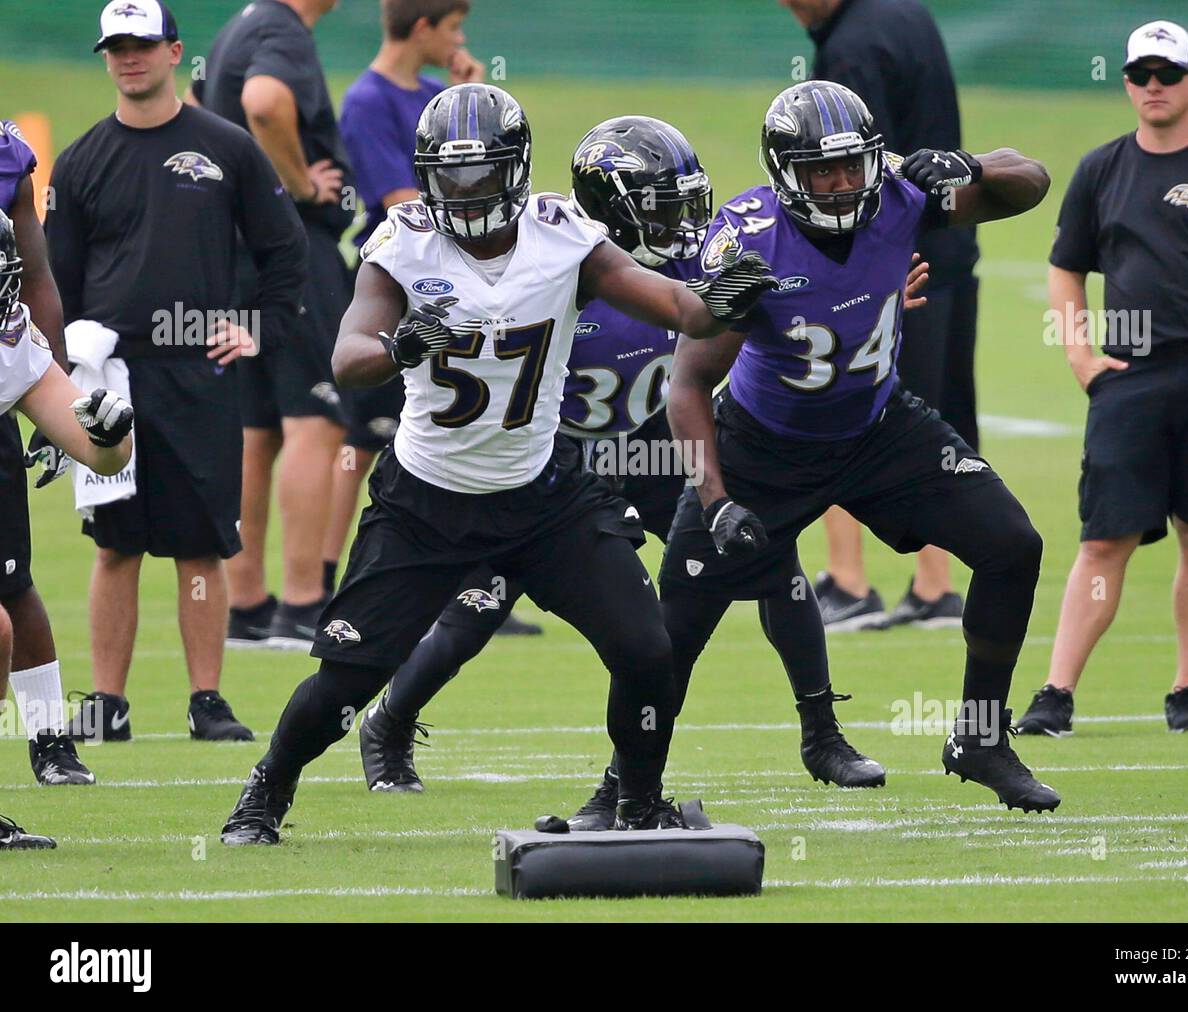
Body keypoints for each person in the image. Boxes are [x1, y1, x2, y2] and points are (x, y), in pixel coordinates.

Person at [219, 83, 778, 844]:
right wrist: (399, 345)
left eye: (483, 176)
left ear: (516, 172)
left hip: (544, 493)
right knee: (348, 680)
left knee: (646, 648)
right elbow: (348, 358)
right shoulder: (404, 244)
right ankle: (266, 790)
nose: (468, 194)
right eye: (451, 179)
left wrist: (737, 291)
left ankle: (639, 805)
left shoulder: (565, 237)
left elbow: (681, 310)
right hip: (426, 497)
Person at [356, 117, 928, 807]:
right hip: (555, 457)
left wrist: (866, 300)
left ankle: (822, 732)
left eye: (690, 204)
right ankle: (389, 722)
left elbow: (782, 308)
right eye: (663, 209)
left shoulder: (693, 265)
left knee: (769, 555)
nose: (685, 225)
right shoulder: (563, 264)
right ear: (610, 211)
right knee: (482, 602)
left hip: (651, 440)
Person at [659, 79, 1060, 813]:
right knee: (669, 637)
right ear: (786, 171)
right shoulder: (748, 239)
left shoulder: (898, 195)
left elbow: (1030, 183)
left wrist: (966, 163)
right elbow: (686, 383)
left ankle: (980, 737)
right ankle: (624, 788)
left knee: (1012, 544)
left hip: (878, 430)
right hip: (765, 445)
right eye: (822, 170)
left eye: (852, 166)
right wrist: (715, 501)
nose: (843, 184)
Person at [1017, 20, 1188, 740]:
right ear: (1125, 82)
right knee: (1104, 538)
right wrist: (1080, 356)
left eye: (1167, 74)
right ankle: (1055, 693)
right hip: (1131, 375)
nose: (1152, 86)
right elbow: (1065, 269)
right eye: (1140, 74)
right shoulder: (1101, 169)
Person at [47, 0, 307, 741]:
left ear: (174, 51)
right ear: (105, 56)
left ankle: (206, 701)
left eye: (143, 44)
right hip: (109, 378)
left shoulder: (226, 147)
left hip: (199, 374)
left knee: (199, 543)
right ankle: (107, 703)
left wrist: (257, 327)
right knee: (117, 542)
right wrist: (60, 383)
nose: (129, 57)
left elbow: (285, 252)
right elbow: (55, 284)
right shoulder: (81, 159)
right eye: (116, 46)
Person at [325, 1, 544, 637]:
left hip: (466, 285)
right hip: (402, 287)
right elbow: (406, 204)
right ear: (422, 27)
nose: (461, 38)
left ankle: (474, 588)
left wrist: (468, 95)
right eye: (453, 27)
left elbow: (484, 170)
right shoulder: (368, 101)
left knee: (466, 426)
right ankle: (325, 582)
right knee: (368, 438)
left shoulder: (432, 96)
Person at [779, 0, 978, 631]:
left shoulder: (852, 47)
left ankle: (848, 581)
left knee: (840, 400)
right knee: (940, 413)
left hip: (896, 263)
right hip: (949, 250)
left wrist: (854, 271)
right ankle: (935, 586)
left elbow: (856, 175)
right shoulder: (907, 16)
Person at [192, 0, 355, 649]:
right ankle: (302, 603)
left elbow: (197, 101)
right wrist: (296, 185)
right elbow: (262, 101)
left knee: (254, 428)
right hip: (289, 254)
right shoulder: (283, 30)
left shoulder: (240, 23)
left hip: (231, 252)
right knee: (315, 420)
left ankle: (248, 605)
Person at [0, 208, 136, 845]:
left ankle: (48, 739)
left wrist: (113, 436)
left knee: (6, 615)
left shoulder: (10, 338)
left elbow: (93, 447)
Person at [0, 117, 95, 784]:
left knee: (10, 577)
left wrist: (49, 386)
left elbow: (34, 278)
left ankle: (50, 739)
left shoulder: (7, 155)